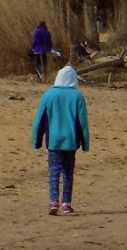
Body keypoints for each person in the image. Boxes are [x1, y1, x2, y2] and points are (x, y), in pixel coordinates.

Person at [31, 65, 90, 215]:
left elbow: (40, 121)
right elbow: (82, 123)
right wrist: (85, 144)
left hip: (54, 141)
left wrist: (37, 143)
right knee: (68, 172)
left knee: (54, 171)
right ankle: (66, 203)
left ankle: (53, 202)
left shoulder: (48, 95)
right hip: (71, 141)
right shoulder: (78, 96)